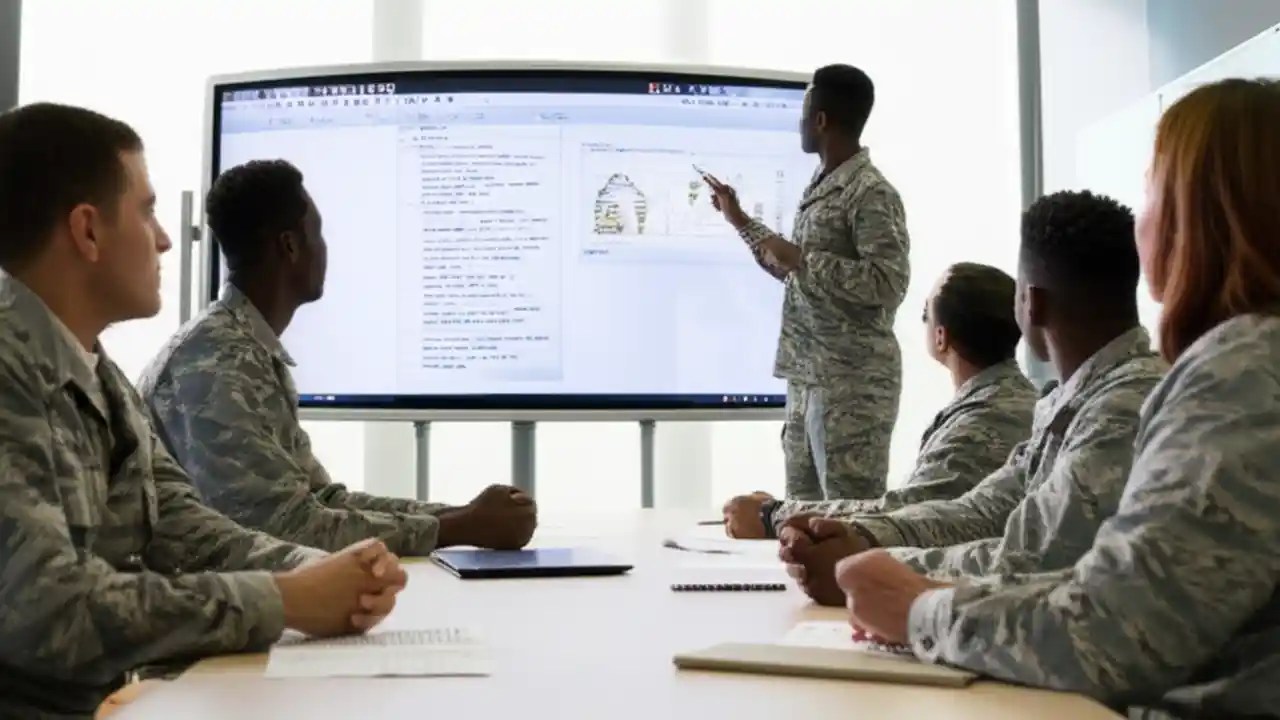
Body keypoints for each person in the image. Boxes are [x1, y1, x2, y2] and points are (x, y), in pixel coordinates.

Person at [835, 78, 1280, 719]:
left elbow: (1119, 629)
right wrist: (892, 568)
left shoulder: (1241, 372)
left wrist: (917, 609)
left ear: (1198, 212)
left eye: (1151, 187)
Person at [0, 103, 408, 719]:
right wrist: (285, 599)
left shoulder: (97, 373)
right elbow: (47, 612)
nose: (165, 238)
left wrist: (332, 574)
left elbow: (188, 530)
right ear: (87, 231)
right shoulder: (8, 375)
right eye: (146, 211)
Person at [780, 190, 1167, 606]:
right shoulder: (1076, 402)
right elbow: (979, 512)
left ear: (1030, 303)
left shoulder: (1122, 407)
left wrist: (873, 568)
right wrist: (862, 538)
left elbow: (1034, 562)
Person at [138, 159, 537, 556]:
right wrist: (461, 526)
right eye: (318, 233)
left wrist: (464, 514)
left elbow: (323, 500)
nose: (324, 249)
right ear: (290, 245)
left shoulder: (246, 348)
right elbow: (285, 529)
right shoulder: (215, 363)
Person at [704, 63, 909, 502]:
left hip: (850, 388)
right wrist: (738, 220)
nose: (798, 123)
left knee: (848, 524)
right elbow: (798, 272)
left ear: (820, 120)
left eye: (803, 113)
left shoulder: (870, 192)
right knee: (802, 524)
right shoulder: (822, 184)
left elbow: (887, 283)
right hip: (807, 379)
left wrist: (801, 257)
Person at [722, 262, 1036, 538]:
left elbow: (907, 515)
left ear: (941, 337)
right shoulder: (1014, 402)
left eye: (925, 314)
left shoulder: (985, 419)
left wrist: (772, 515)